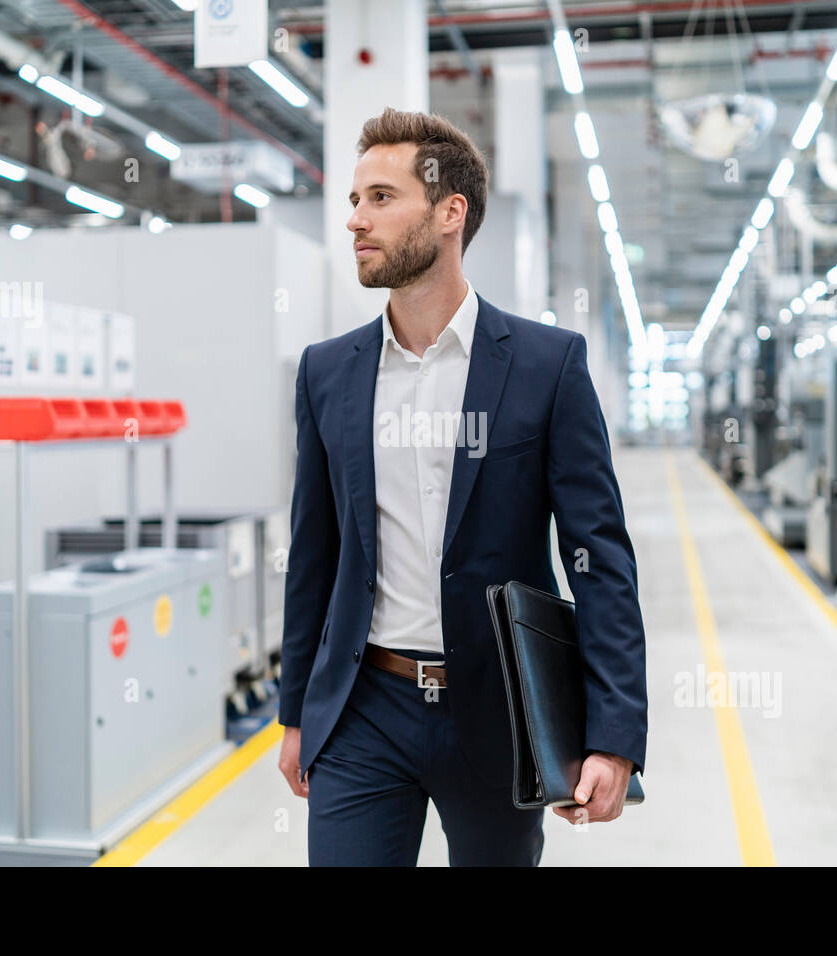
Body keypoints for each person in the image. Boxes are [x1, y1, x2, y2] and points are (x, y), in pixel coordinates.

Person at [277, 107, 647, 866]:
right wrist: (294, 713)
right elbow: (314, 553)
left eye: (381, 197)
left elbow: (598, 555)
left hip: (501, 709)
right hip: (361, 710)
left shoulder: (547, 366)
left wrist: (613, 734)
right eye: (353, 200)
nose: (355, 219)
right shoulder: (327, 372)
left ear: (451, 212)